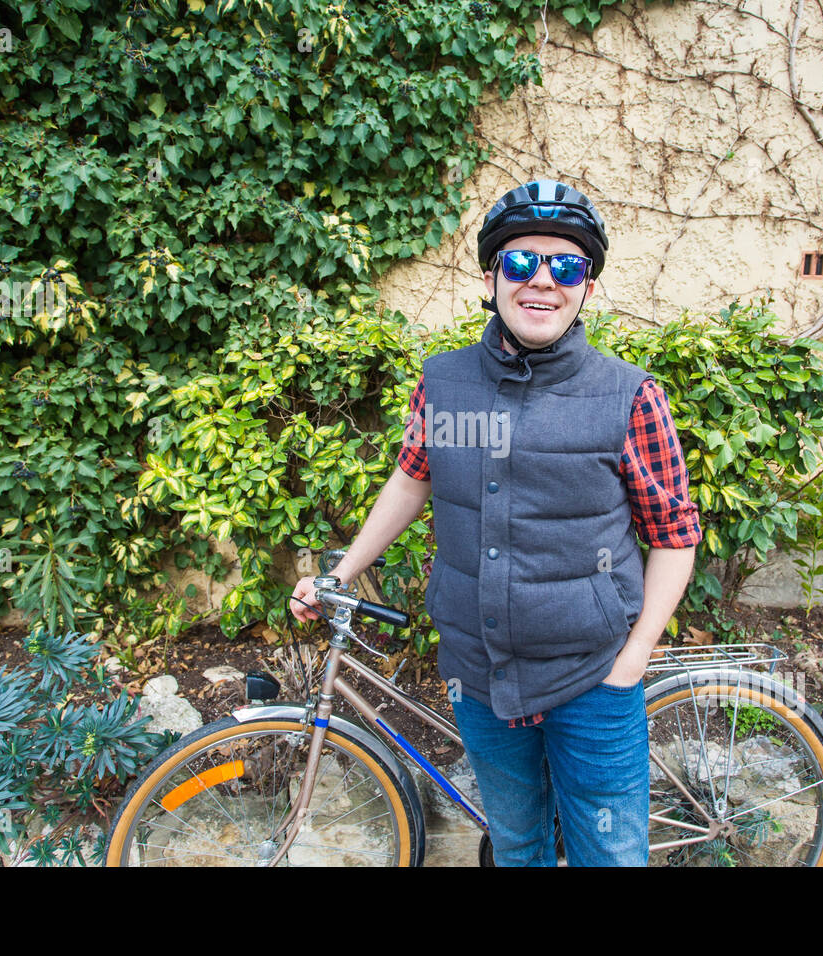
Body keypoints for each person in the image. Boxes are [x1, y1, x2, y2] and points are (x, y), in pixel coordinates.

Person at [290, 179, 701, 866]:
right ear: (491, 277)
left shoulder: (631, 396)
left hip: (594, 680)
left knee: (611, 855)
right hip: (479, 676)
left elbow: (674, 535)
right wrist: (341, 572)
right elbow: (411, 479)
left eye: (566, 266)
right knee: (517, 847)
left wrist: (631, 662)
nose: (543, 280)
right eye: (520, 262)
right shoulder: (444, 382)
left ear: (588, 290)